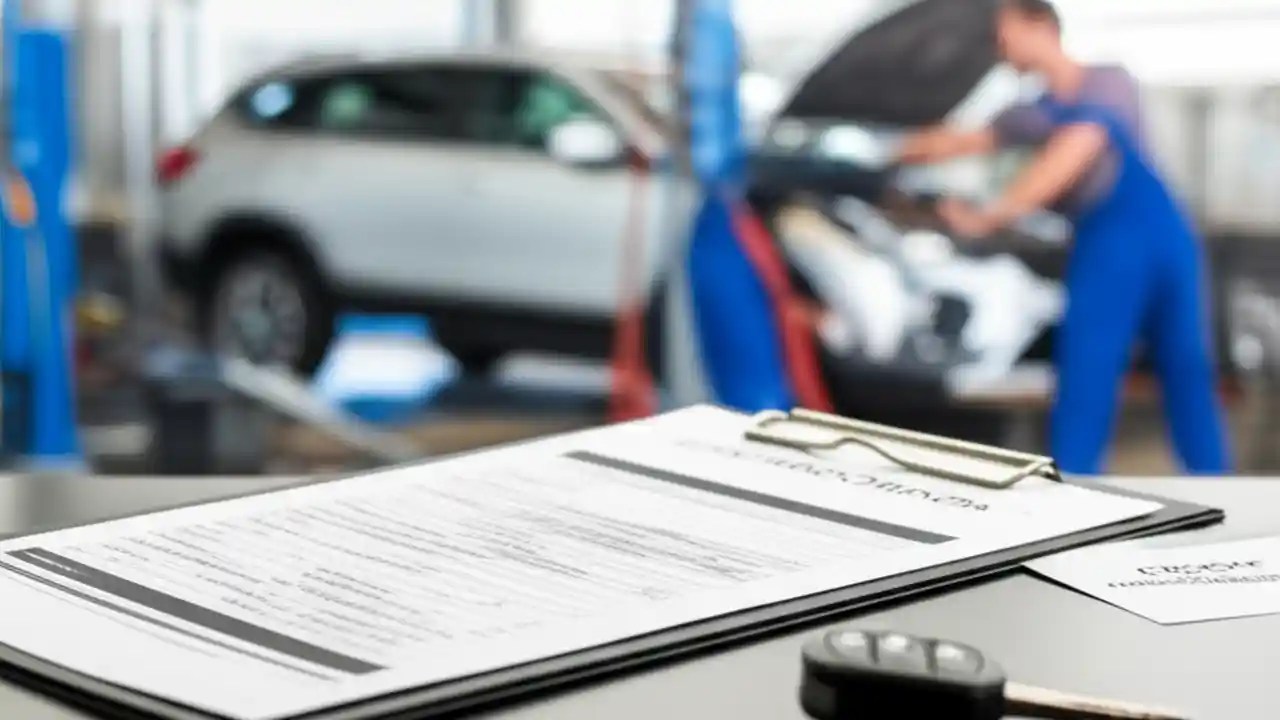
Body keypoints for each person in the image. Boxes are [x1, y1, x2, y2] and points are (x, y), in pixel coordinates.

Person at [899, 0, 1231, 475]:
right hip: (1105, 239)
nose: (998, 45)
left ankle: (1217, 488)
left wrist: (989, 217)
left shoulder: (1108, 80)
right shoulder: (1030, 111)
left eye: (1004, 31)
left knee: (1187, 366)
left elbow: (1070, 154)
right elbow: (958, 140)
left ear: (1039, 24)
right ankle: (1073, 491)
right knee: (1086, 371)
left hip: (1157, 235)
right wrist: (883, 149)